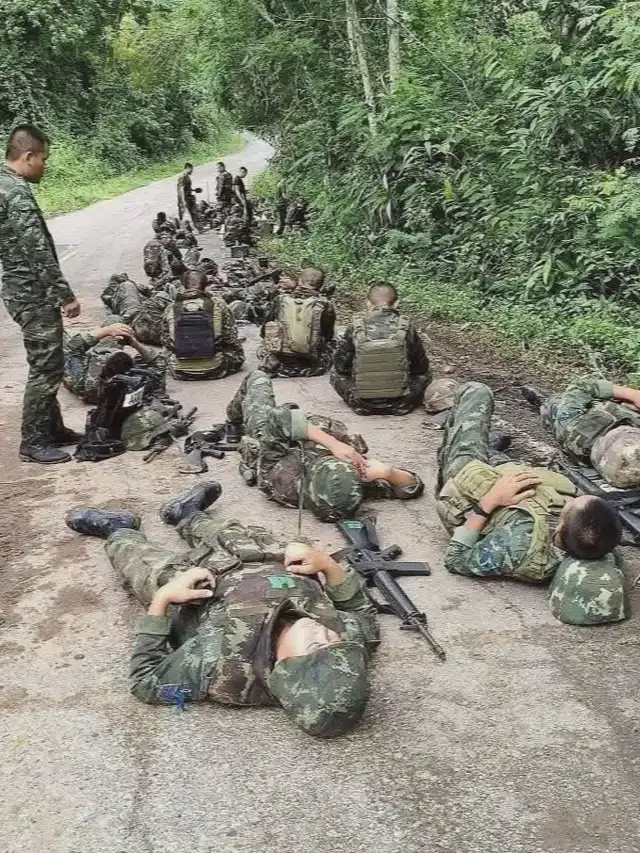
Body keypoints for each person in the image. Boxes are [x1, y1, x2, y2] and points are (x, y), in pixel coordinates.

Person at [65, 483, 379, 737]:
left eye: (315, 646)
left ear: (285, 665)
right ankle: (186, 515)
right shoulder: (345, 645)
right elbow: (363, 613)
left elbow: (145, 680)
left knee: (147, 567)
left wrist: (162, 600)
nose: (324, 634)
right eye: (334, 641)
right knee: (236, 535)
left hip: (197, 586)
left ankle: (118, 530)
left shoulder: (221, 667)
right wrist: (328, 565)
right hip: (266, 562)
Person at [436, 381, 629, 625]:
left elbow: (455, 559)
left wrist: (488, 503)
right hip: (513, 479)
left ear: (559, 528)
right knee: (494, 453)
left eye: (571, 504)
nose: (573, 498)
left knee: (477, 393)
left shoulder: (515, 547)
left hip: (476, 487)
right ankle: (492, 451)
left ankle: (453, 451)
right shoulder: (595, 541)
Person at [226, 370, 424, 521]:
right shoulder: (346, 489)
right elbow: (413, 487)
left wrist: (334, 444)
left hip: (273, 436)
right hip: (306, 431)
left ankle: (233, 422)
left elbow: (280, 417)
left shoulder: (281, 476)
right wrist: (388, 473)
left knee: (258, 378)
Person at [0, 124, 82, 464]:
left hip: (23, 290)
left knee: (50, 362)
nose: (45, 166)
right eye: (43, 159)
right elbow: (36, 250)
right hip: (32, 293)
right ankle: (33, 441)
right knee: (46, 367)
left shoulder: (5, 184)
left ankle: (52, 429)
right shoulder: (15, 192)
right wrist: (65, 295)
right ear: (28, 156)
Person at [330, 282, 431, 416]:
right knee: (426, 374)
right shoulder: (407, 327)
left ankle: (362, 399)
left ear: (368, 303)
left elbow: (340, 366)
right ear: (396, 303)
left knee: (334, 372)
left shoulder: (356, 327)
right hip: (401, 402)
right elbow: (421, 367)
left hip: (361, 403)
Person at [540, 378, 640, 489]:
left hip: (560, 410)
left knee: (553, 405)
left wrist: (631, 394)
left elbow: (581, 386)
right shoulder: (619, 467)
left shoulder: (572, 423)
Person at [161, 269, 245, 380]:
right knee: (237, 348)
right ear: (205, 286)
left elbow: (165, 340)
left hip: (180, 372)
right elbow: (230, 337)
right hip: (215, 369)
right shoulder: (218, 304)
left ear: (183, 286)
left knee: (165, 351)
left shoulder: (171, 307)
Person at [259, 268, 336, 378]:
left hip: (282, 361)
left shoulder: (279, 300)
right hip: (310, 362)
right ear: (321, 286)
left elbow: (263, 331)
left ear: (299, 281)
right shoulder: (325, 304)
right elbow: (328, 335)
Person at [63, 322, 167, 404]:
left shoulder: (87, 384)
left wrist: (106, 331)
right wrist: (134, 343)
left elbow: (71, 349)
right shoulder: (137, 386)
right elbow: (159, 363)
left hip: (92, 356)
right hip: (106, 357)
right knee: (118, 324)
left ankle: (108, 330)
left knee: (114, 323)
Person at [177, 163, 200, 228]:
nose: (192, 171)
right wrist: (183, 201)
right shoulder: (182, 177)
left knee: (193, 212)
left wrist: (194, 190)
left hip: (189, 197)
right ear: (187, 168)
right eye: (191, 169)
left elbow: (187, 188)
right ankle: (182, 229)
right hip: (184, 199)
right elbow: (181, 190)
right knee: (184, 215)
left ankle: (197, 227)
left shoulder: (187, 177)